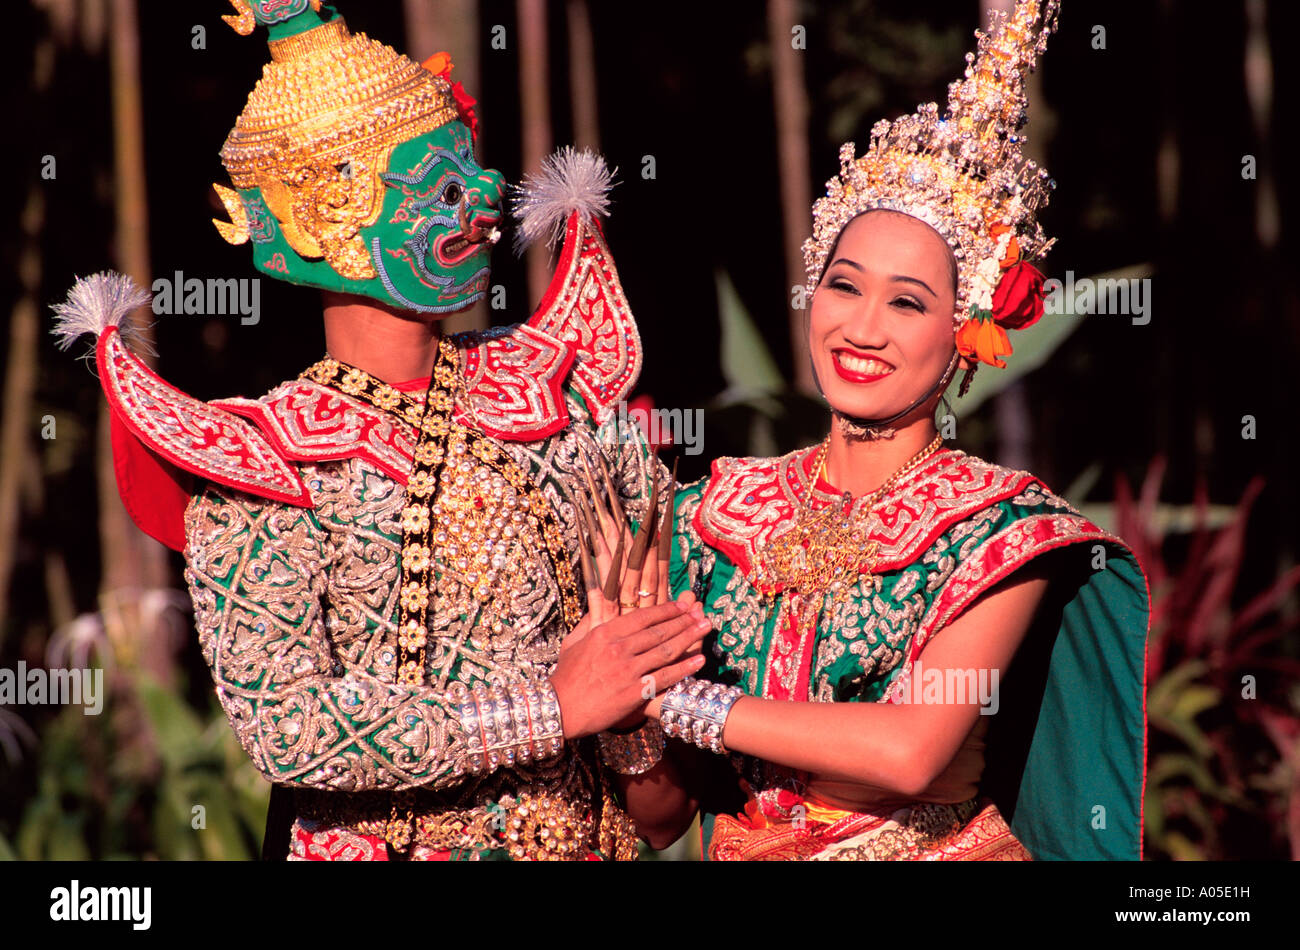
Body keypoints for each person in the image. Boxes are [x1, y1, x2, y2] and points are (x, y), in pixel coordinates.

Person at [51, 0, 707, 861]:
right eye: (444, 188)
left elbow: (665, 616)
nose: (486, 205)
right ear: (323, 217)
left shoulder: (556, 388)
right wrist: (550, 709)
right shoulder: (265, 459)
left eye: (476, 176)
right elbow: (289, 729)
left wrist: (634, 730)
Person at [600, 0, 1150, 860]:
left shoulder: (1000, 528)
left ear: (964, 333)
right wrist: (626, 704)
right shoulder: (716, 510)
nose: (861, 328)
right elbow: (661, 817)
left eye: (907, 303)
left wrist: (676, 700)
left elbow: (909, 749)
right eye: (845, 285)